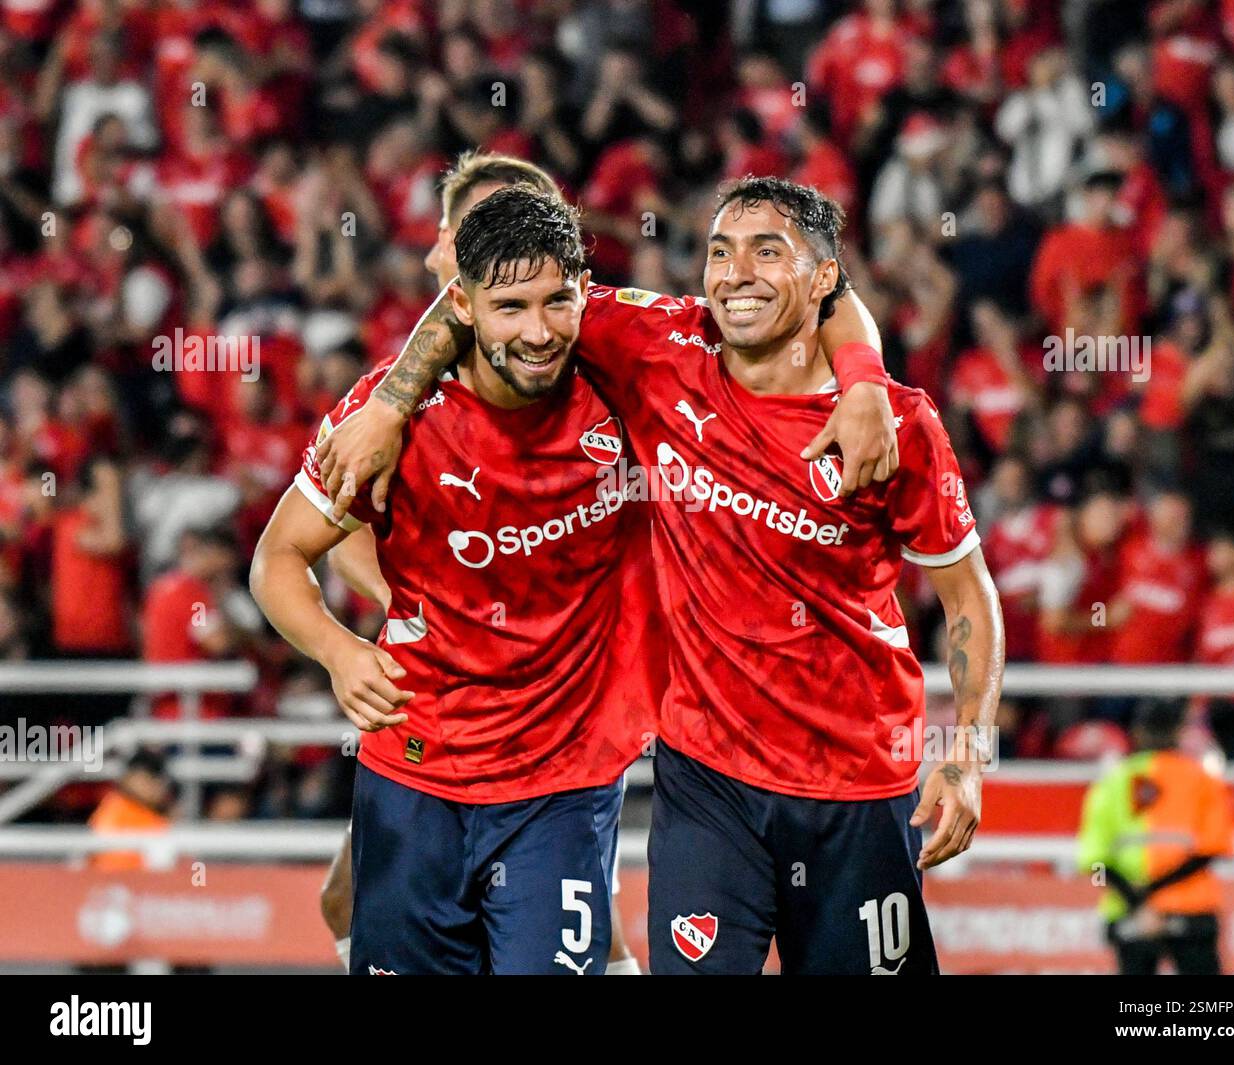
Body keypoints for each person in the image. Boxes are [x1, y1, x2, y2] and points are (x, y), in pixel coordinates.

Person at [316, 177, 1002, 975]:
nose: (735, 272)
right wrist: (393, 403)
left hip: (856, 783)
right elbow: (485, 291)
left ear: (822, 281)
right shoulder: (658, 348)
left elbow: (970, 600)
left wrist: (967, 756)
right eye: (719, 252)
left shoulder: (896, 425)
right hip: (705, 780)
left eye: (766, 252)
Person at [252, 188, 651, 974]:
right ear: (461, 303)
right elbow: (277, 558)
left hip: (560, 782)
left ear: (585, 293)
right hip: (417, 771)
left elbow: (763, 312)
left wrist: (867, 383)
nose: (539, 331)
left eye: (557, 302)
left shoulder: (629, 381)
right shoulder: (382, 421)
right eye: (510, 307)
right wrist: (338, 651)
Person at [1077, 700, 1234, 975]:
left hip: (1129, 912)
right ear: (1178, 732)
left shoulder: (1111, 782)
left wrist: (1140, 903)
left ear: (1137, 732)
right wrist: (1157, 895)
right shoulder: (1203, 780)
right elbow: (1213, 848)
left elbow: (1095, 862)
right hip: (1190, 907)